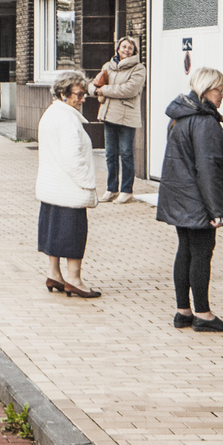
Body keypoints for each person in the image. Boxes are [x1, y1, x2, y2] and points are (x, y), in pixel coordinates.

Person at [155, 66, 223, 332]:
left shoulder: (179, 116)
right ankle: (203, 314)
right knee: (201, 254)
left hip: (179, 197)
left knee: (185, 251)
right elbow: (208, 168)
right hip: (199, 200)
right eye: (220, 90)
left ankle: (183, 311)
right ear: (206, 89)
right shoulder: (204, 122)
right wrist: (216, 210)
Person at [36, 69, 102, 298]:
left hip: (52, 187)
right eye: (79, 94)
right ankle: (74, 279)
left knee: (53, 231)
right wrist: (88, 183)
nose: (83, 98)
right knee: (74, 234)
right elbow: (73, 157)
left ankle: (54, 273)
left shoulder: (51, 113)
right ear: (64, 93)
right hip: (69, 188)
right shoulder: (67, 120)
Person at [96, 36, 146, 202]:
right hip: (109, 114)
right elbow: (94, 85)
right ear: (118, 48)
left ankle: (126, 190)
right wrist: (94, 89)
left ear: (134, 51)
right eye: (124, 47)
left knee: (126, 154)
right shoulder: (108, 66)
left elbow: (129, 90)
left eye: (130, 48)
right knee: (110, 154)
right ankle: (111, 189)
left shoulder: (138, 69)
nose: (126, 50)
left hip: (126, 116)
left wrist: (104, 90)